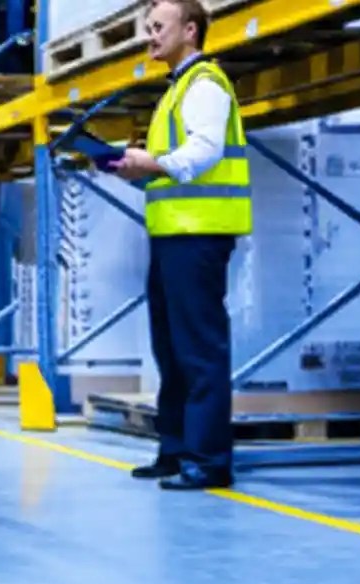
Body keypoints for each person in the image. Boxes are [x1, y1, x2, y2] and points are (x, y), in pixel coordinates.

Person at [106, 0, 252, 490]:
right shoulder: (173, 92)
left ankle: (208, 461)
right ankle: (174, 450)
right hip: (173, 234)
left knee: (200, 351)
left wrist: (150, 162)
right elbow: (169, 173)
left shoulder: (205, 84)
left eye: (158, 27)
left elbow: (204, 152)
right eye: (148, 28)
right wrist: (130, 171)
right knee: (170, 350)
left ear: (190, 30)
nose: (150, 37)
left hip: (199, 235)